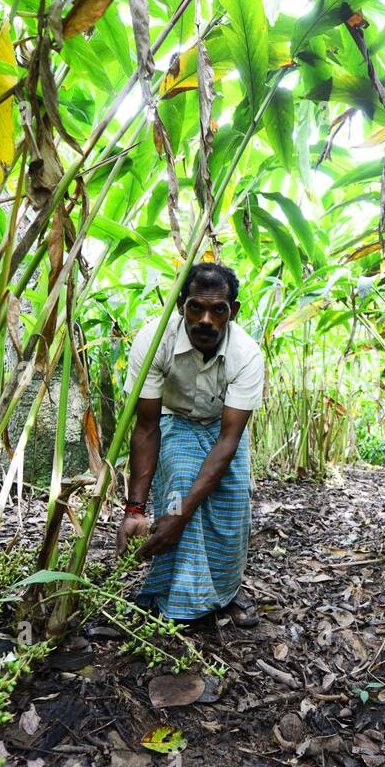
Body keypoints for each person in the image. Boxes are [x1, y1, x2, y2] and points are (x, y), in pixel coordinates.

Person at [117, 261, 265, 627]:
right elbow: (147, 426)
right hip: (175, 419)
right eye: (195, 307)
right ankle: (177, 599)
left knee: (231, 515)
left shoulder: (246, 354)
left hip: (222, 427)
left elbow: (228, 440)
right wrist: (135, 510)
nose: (206, 320)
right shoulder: (154, 343)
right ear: (181, 303)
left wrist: (180, 517)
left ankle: (226, 593)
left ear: (233, 312)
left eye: (219, 310)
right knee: (179, 490)